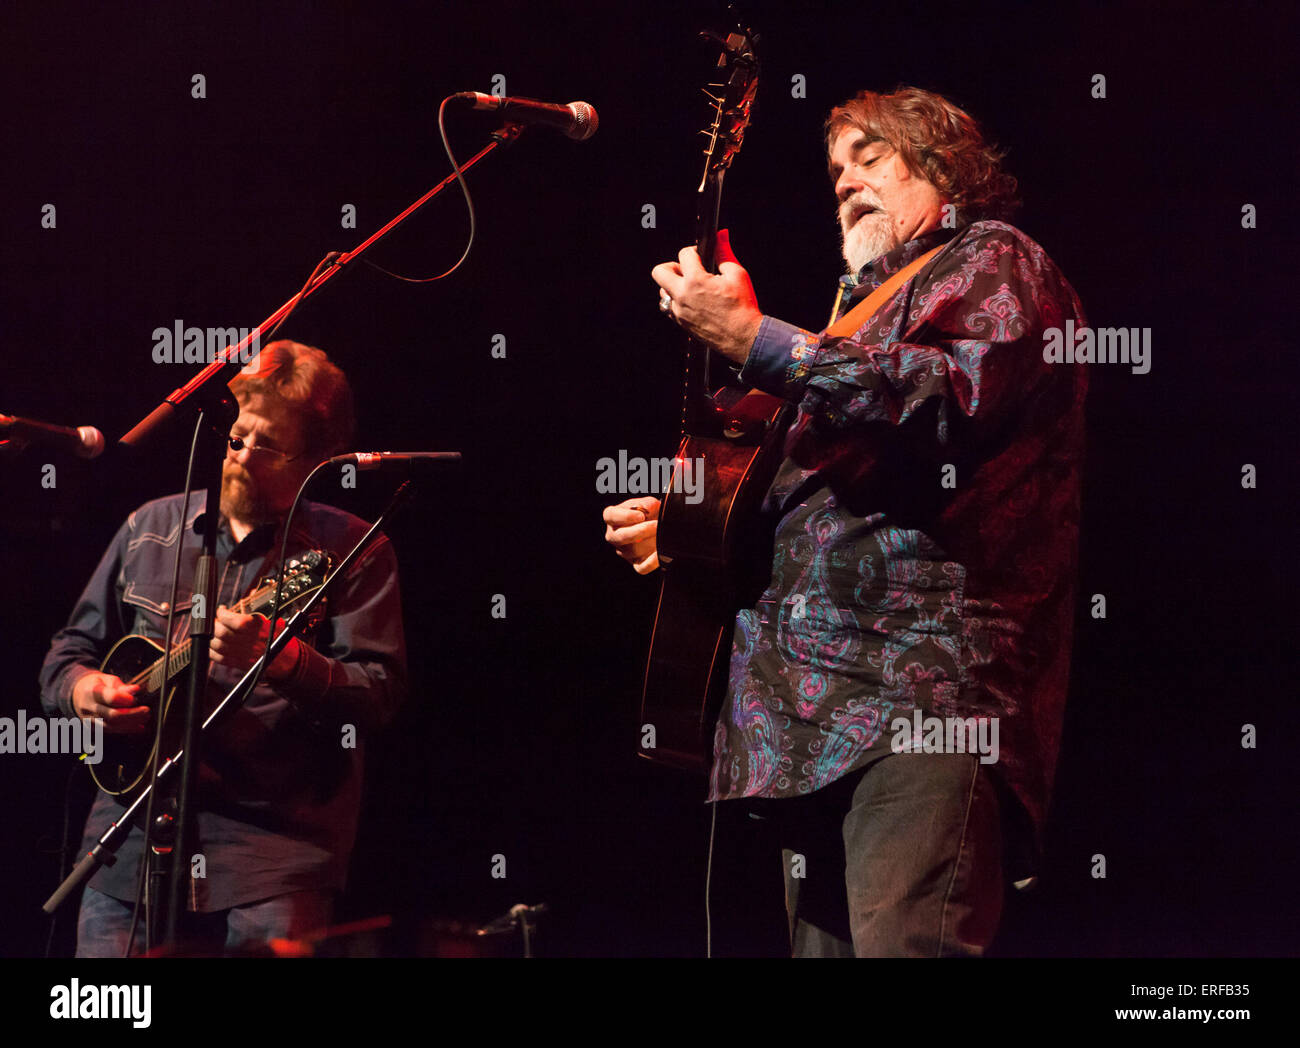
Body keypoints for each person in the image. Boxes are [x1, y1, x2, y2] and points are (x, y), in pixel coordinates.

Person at [605, 87, 1088, 956]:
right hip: (804, 723)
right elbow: (814, 498)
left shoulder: (994, 258)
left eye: (871, 158)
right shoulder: (853, 317)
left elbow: (944, 399)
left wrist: (759, 339)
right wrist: (690, 526)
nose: (844, 183)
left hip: (921, 701)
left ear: (942, 169)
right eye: (834, 170)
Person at [39, 339, 407, 956]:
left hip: (271, 854)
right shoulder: (149, 527)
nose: (241, 457)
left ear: (320, 459)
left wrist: (286, 660)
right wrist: (84, 691)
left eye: (268, 446)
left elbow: (380, 695)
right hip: (126, 843)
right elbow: (67, 651)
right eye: (238, 437)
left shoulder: (354, 549)